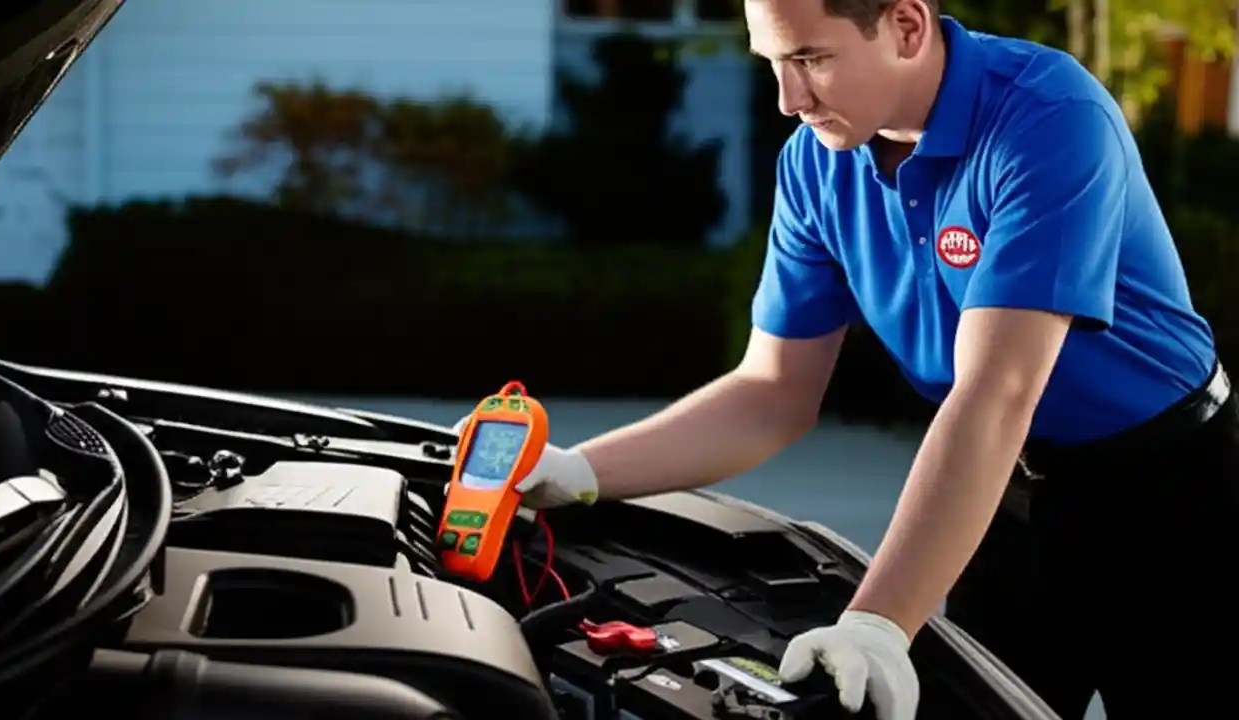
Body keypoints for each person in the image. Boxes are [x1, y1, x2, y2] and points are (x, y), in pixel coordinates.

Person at [473, 1, 1239, 718]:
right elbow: (773, 393)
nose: (787, 97)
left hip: (1174, 493)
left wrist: (876, 622)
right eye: (773, 60)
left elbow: (995, 394)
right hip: (1005, 489)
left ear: (906, 25)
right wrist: (581, 473)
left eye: (810, 57)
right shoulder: (816, 163)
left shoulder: (1049, 119)